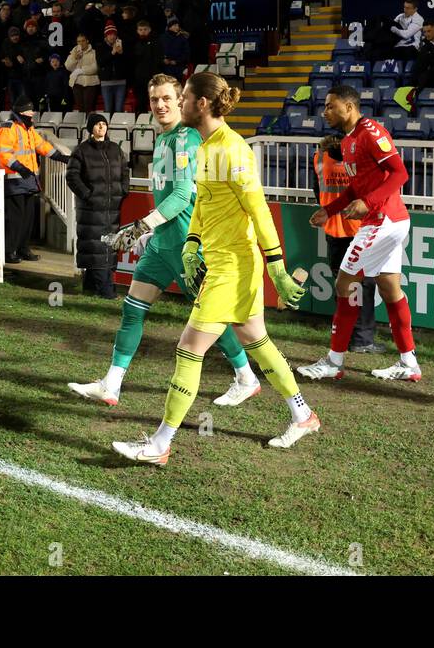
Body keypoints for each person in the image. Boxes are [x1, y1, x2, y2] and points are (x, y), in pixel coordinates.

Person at [111, 73, 318, 464]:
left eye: (184, 97)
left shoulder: (232, 150)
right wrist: (191, 244)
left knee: (189, 348)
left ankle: (159, 445)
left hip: (234, 267)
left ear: (200, 104)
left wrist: (276, 266)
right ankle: (303, 414)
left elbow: (259, 209)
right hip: (221, 262)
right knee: (258, 343)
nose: (178, 104)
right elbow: (203, 204)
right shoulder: (205, 147)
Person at [69, 75, 263, 406]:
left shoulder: (186, 139)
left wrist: (138, 228)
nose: (160, 104)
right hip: (162, 244)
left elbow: (179, 196)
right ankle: (111, 384)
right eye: (154, 99)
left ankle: (246, 376)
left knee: (211, 319)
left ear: (179, 102)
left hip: (187, 245)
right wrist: (150, 233)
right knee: (132, 310)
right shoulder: (162, 140)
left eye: (167, 99)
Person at [299, 85, 418, 382]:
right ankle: (408, 362)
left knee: (344, 282)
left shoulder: (371, 131)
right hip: (386, 220)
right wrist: (330, 209)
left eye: (330, 106)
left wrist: (368, 203)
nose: (325, 111)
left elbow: (400, 173)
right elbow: (355, 188)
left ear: (349, 107)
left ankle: (333, 362)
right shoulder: (350, 140)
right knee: (390, 288)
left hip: (382, 220)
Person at [315, 133, 384, 353]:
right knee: (364, 285)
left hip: (333, 230)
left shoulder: (319, 158)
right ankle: (362, 340)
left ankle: (344, 337)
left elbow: (318, 191)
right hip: (358, 230)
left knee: (343, 286)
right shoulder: (359, 162)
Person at [0, 95, 70, 264]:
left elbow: (41, 146)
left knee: (28, 218)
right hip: (14, 179)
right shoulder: (9, 128)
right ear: (22, 111)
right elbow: (4, 153)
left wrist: (59, 156)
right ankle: (9, 251)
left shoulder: (28, 128)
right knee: (15, 219)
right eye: (30, 110)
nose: (33, 113)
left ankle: (22, 248)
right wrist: (19, 167)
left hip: (28, 180)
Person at [66, 113, 129, 299]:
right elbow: (72, 176)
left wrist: (123, 190)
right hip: (92, 211)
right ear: (90, 128)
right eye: (97, 124)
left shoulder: (115, 149)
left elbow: (125, 170)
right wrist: (88, 195)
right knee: (99, 248)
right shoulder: (81, 150)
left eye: (104, 124)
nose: (101, 127)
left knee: (107, 247)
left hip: (112, 210)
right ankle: (106, 290)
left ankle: (91, 287)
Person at [66, 33, 100, 112]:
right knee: (80, 109)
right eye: (78, 41)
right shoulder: (74, 52)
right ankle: (81, 124)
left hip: (90, 84)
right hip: (77, 84)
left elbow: (95, 68)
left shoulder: (94, 53)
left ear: (87, 41)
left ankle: (88, 124)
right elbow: (68, 67)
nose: (81, 43)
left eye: (83, 41)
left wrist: (79, 71)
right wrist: (75, 58)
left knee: (88, 108)